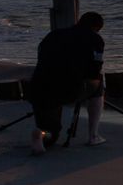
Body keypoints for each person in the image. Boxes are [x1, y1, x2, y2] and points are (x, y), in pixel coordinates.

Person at [29, 11, 106, 154]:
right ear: (97, 27)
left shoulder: (53, 34)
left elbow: (41, 58)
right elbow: (95, 70)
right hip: (67, 89)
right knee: (98, 84)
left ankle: (41, 134)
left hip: (38, 88)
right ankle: (93, 136)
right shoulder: (95, 39)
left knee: (51, 134)